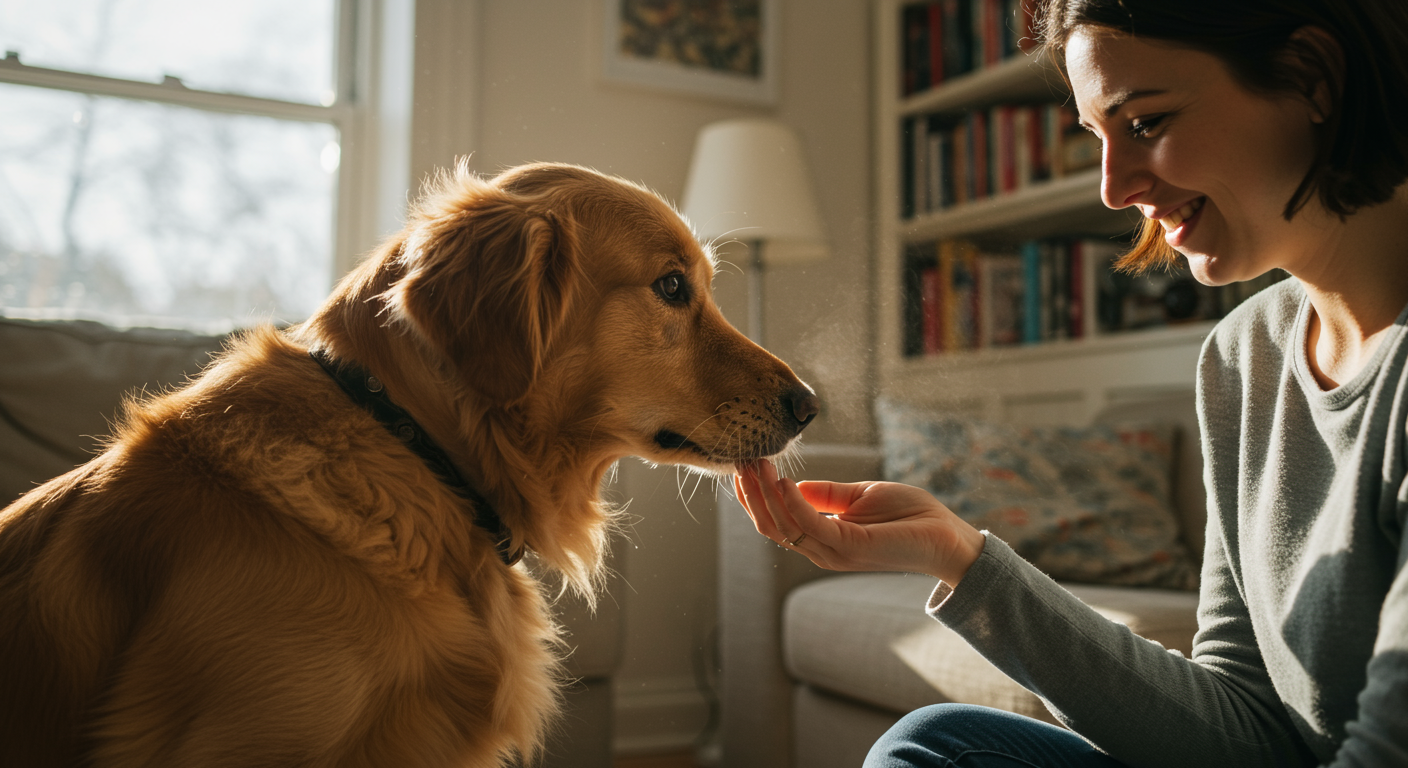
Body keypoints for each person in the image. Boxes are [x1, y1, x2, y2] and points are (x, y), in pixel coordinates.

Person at [734, 1, 1408, 765]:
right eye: (1098, 138)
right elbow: (1243, 731)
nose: (1113, 190)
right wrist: (959, 555)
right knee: (938, 746)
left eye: (1145, 123)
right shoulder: (1244, 357)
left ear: (1312, 76)